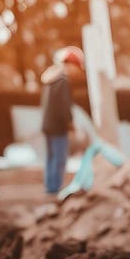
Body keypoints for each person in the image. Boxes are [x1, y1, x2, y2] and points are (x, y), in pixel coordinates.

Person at [40, 46, 85, 195]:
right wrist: (71, 124)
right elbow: (64, 107)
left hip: (47, 124)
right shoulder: (63, 81)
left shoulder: (51, 80)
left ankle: (50, 186)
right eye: (76, 67)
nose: (76, 71)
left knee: (51, 157)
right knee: (60, 158)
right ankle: (54, 189)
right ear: (70, 64)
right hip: (58, 126)